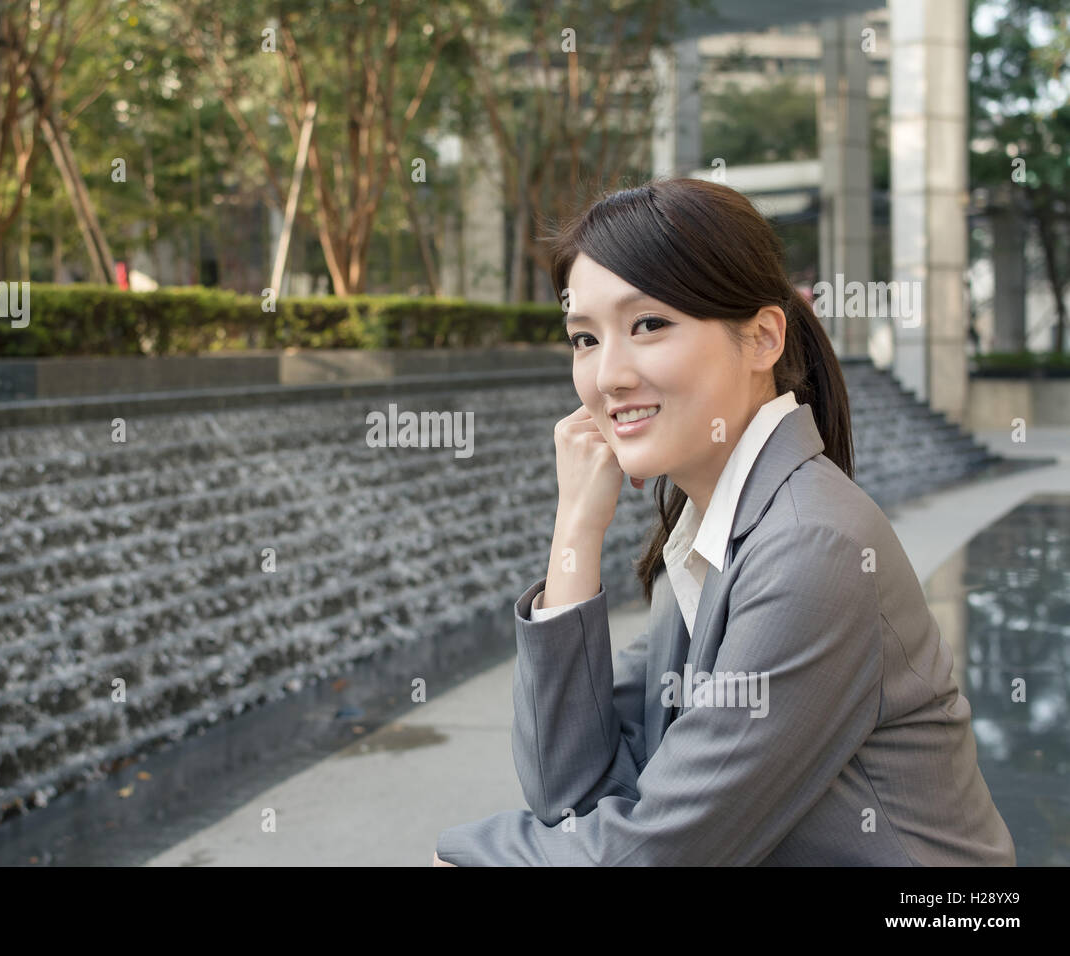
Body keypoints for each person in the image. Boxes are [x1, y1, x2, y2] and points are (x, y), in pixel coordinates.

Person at [432, 178, 1017, 866]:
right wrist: (575, 531)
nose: (609, 376)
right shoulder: (711, 534)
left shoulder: (809, 547)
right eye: (585, 338)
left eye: (648, 324)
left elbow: (662, 854)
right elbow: (573, 794)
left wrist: (460, 854)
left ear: (763, 336)